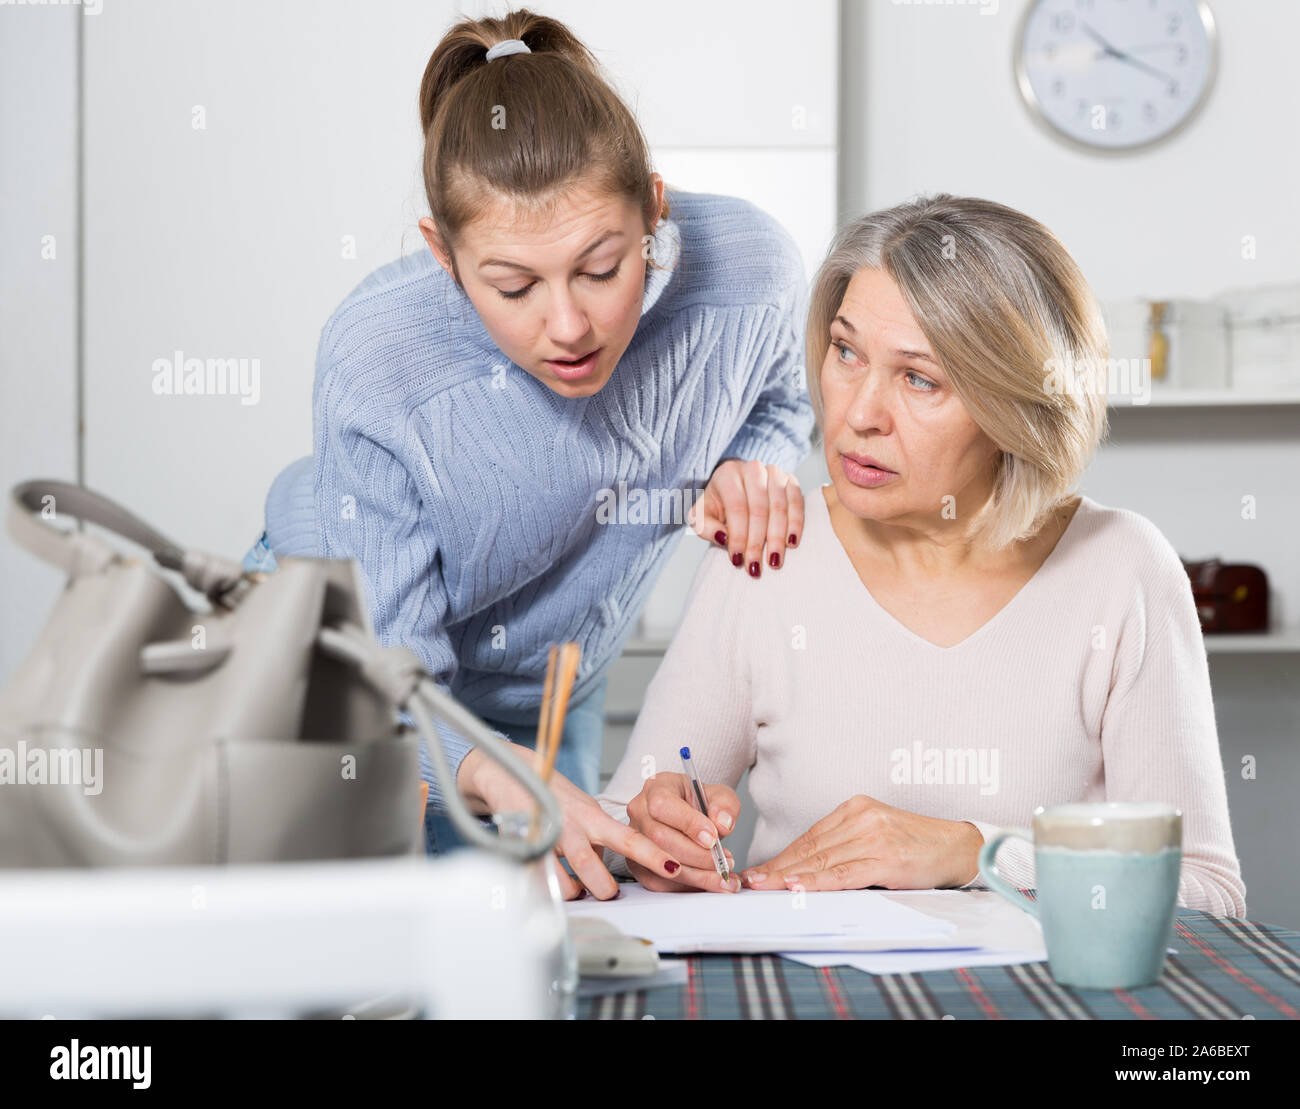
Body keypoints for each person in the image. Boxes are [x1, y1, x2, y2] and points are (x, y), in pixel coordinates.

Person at [243, 9, 815, 898]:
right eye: (512, 285)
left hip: (552, 680)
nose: (568, 325)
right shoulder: (378, 355)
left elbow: (781, 397)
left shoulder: (749, 274)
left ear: (654, 211)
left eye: (601, 266)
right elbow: (396, 681)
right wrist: (487, 766)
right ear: (444, 255)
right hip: (357, 672)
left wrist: (754, 460)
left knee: (562, 941)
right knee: (358, 962)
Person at [597, 194, 1247, 917]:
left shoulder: (1123, 569)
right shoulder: (766, 555)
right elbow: (624, 828)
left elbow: (1207, 893)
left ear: (1016, 407)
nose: (857, 413)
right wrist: (652, 833)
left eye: (919, 378)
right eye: (845, 351)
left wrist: (973, 852)